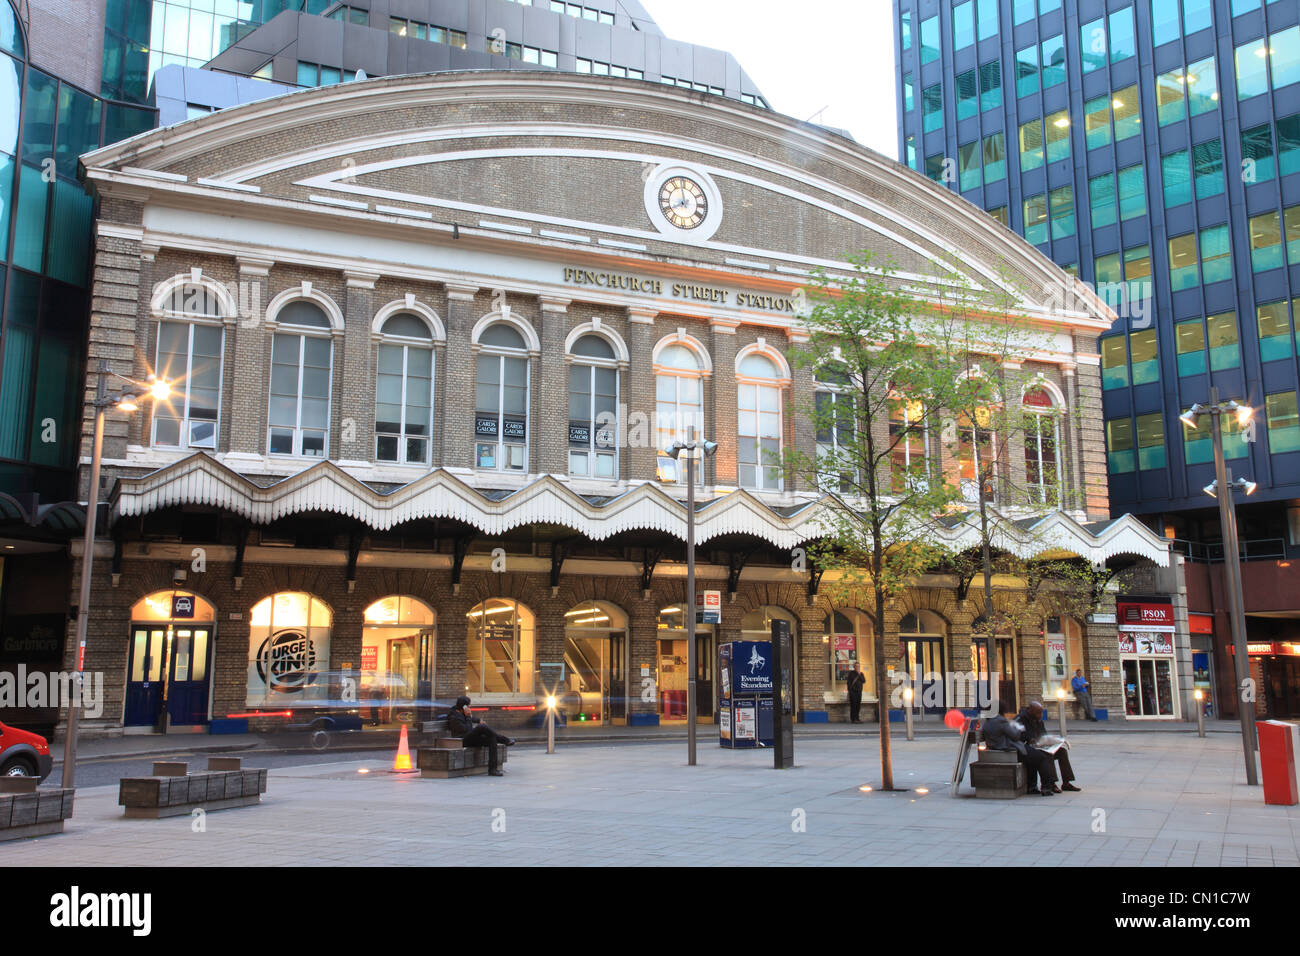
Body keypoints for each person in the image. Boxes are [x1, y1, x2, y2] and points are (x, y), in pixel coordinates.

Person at [981, 699, 1058, 796]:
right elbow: (1015, 736)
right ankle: (1046, 787)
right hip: (1009, 749)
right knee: (1041, 757)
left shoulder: (988, 721)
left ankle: (1032, 786)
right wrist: (1018, 728)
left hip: (997, 748)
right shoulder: (1000, 720)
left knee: (1033, 756)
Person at [1017, 700, 1081, 792]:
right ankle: (1052, 783)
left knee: (1062, 751)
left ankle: (1066, 782)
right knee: (1048, 755)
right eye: (1038, 713)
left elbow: (1044, 734)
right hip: (1029, 748)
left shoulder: (1038, 720)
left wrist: (1051, 741)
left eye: (1041, 713)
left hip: (1040, 745)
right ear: (1030, 711)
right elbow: (1020, 736)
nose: (1040, 715)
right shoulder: (1021, 720)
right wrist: (1032, 739)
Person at [447, 695, 516, 776]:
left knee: (492, 738)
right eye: (468, 706)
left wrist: (479, 720)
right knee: (481, 727)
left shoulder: (461, 712)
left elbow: (473, 718)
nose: (470, 707)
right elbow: (467, 729)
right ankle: (504, 740)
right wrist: (468, 717)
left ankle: (493, 770)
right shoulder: (454, 717)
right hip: (461, 740)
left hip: (470, 738)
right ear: (464, 707)